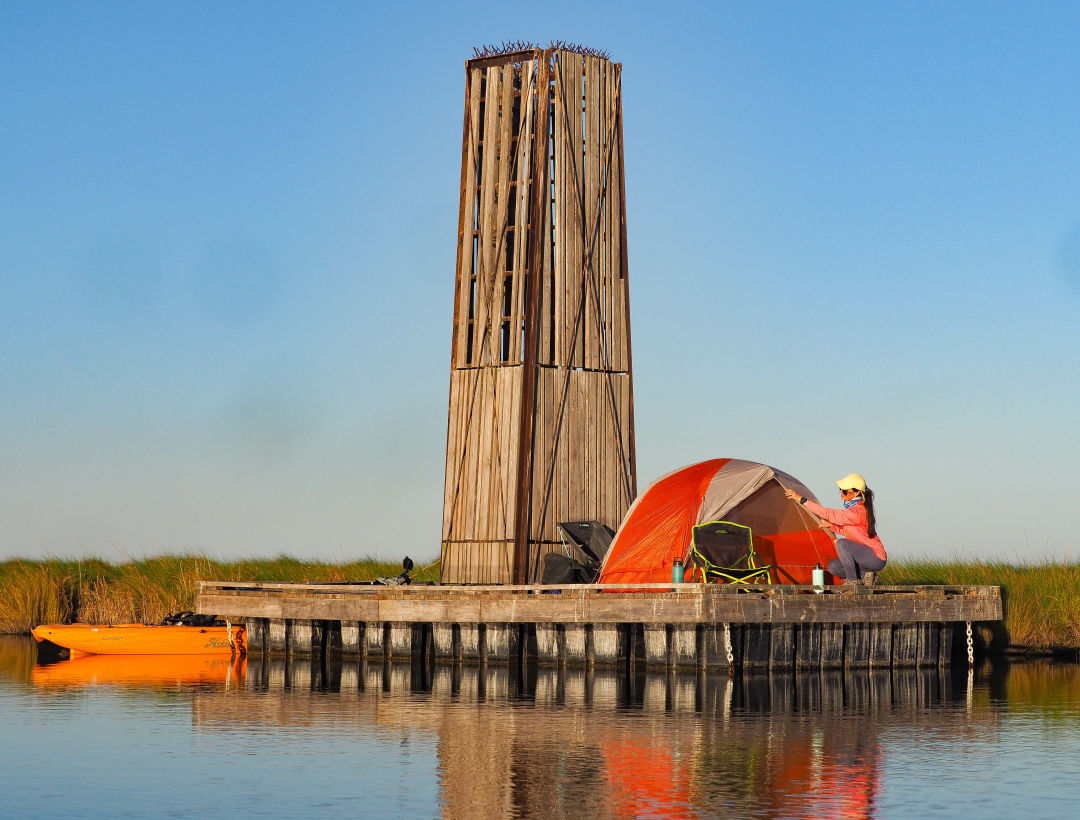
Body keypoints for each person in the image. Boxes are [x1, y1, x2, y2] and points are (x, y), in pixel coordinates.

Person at [783, 473, 886, 585]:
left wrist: (801, 499)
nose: (841, 492)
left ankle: (852, 581)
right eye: (840, 489)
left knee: (842, 543)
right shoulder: (854, 509)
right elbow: (849, 531)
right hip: (862, 556)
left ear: (856, 492)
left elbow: (828, 513)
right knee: (833, 567)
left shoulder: (856, 511)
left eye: (845, 491)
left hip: (875, 558)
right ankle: (866, 576)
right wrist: (831, 526)